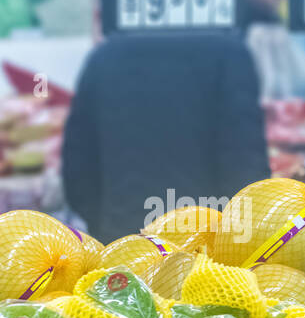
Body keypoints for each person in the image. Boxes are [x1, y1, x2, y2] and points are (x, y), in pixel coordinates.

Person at [62, 33, 269, 242]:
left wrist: (104, 223)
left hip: (124, 239)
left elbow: (77, 164)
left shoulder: (105, 56)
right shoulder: (231, 54)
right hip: (206, 246)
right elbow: (246, 163)